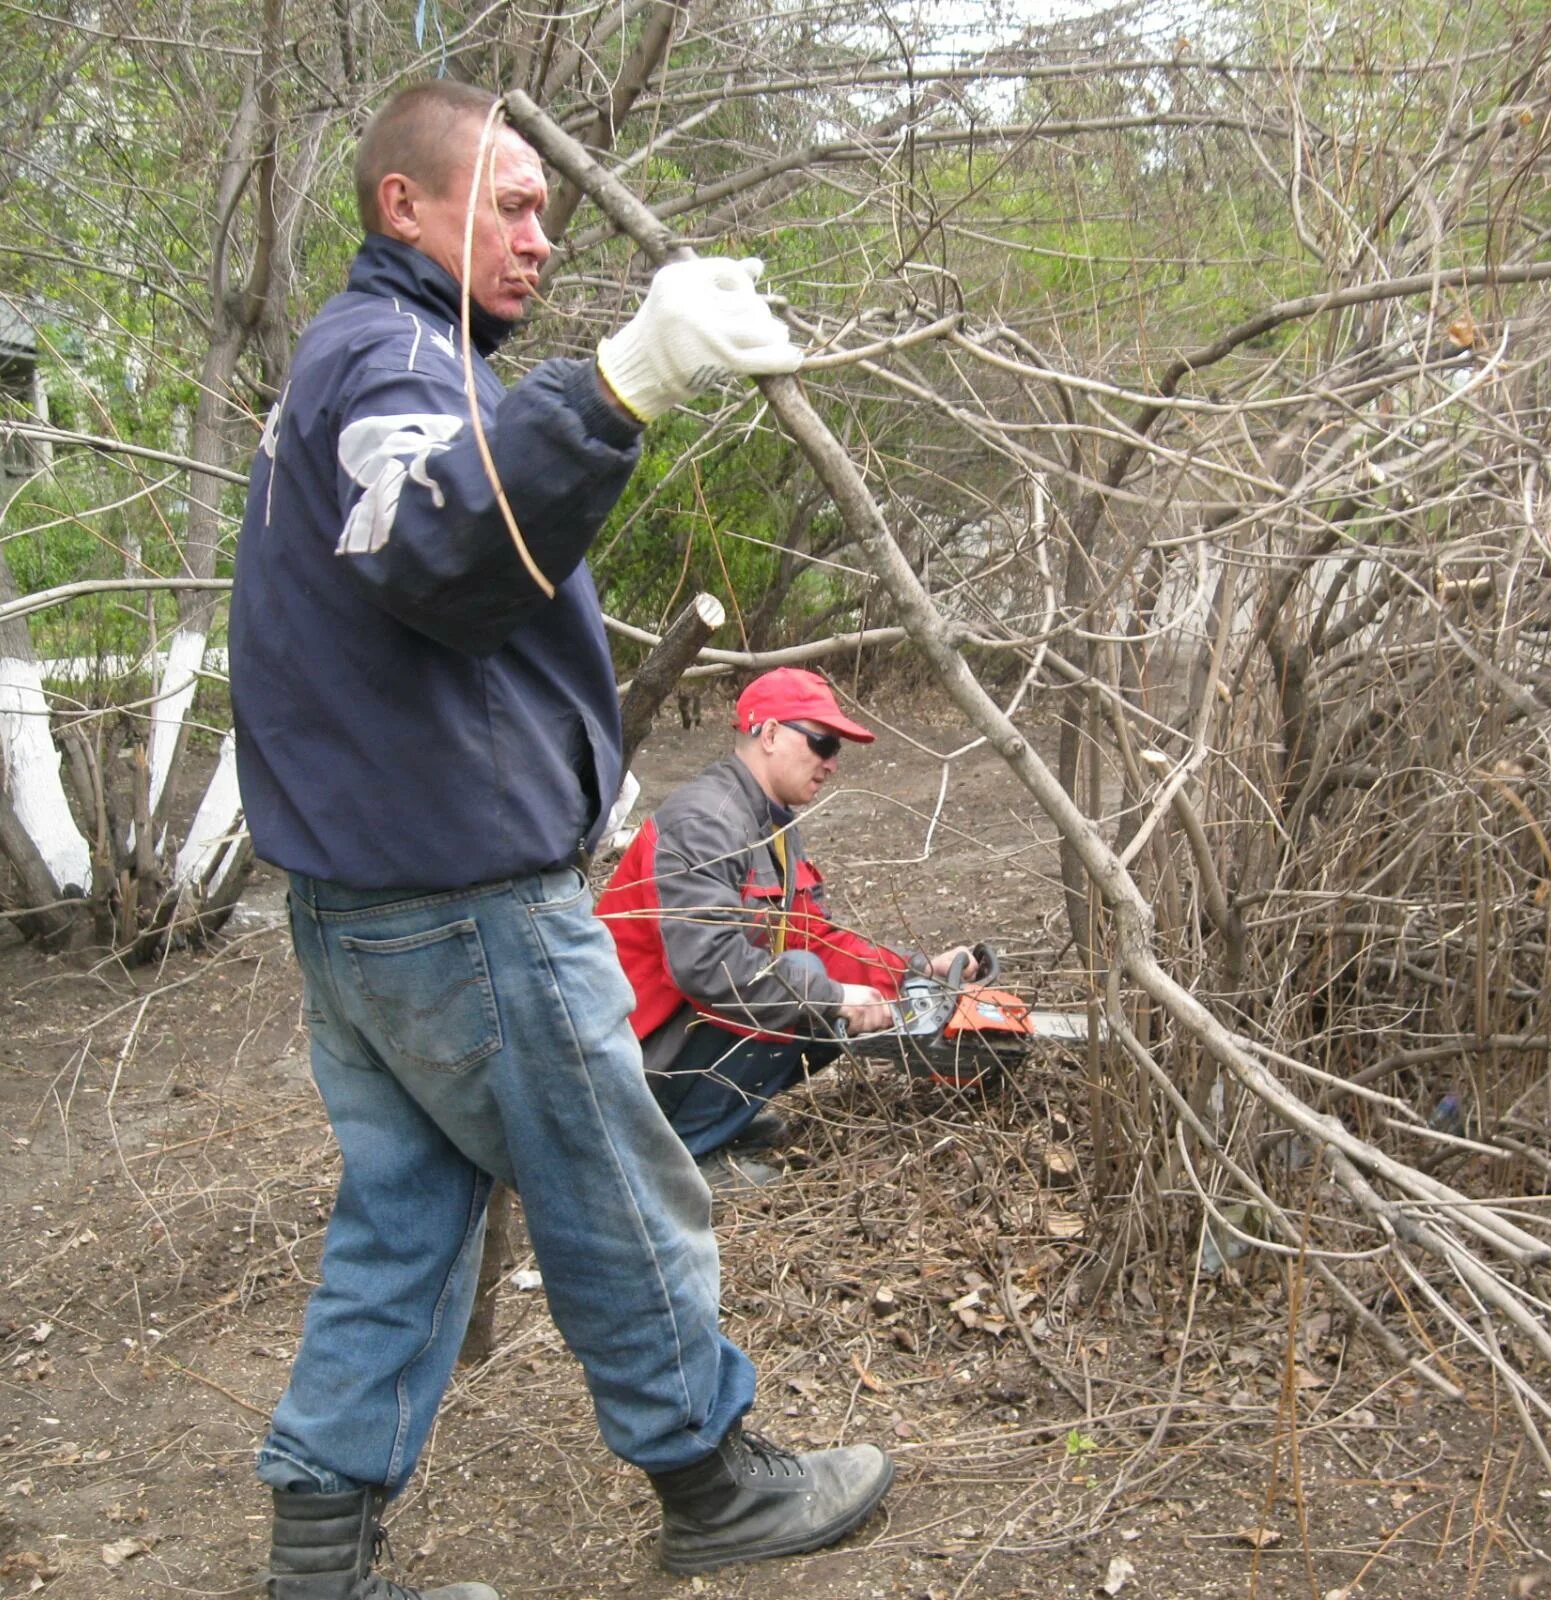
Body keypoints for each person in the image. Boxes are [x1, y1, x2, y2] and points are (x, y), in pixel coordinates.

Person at [227, 82, 891, 1599]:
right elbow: (440, 542)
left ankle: (318, 1561)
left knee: (406, 1221)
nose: (541, 236)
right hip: (463, 911)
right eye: (511, 204)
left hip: (363, 907)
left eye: (547, 208)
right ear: (403, 207)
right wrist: (626, 379)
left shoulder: (375, 357)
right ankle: (712, 1483)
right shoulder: (394, 360)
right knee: (616, 1189)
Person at [596, 669, 974, 1185]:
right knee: (809, 984)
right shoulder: (704, 823)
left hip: (670, 1045)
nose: (832, 763)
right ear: (770, 734)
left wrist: (915, 971)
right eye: (823, 743)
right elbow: (707, 968)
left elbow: (812, 935)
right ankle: (675, 1157)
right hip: (624, 1065)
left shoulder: (772, 825)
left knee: (814, 982)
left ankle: (712, 1120)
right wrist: (833, 997)